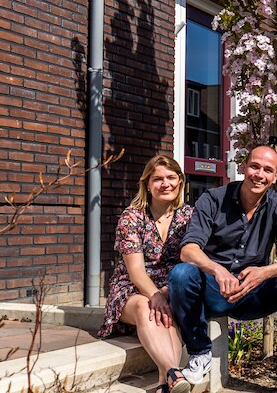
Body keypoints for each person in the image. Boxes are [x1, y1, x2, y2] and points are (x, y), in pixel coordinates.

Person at [169, 145, 277, 393]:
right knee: (181, 274)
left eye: (267, 170)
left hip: (255, 293)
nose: (259, 174)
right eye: (254, 166)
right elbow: (188, 250)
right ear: (243, 167)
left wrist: (265, 272)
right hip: (215, 290)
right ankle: (200, 353)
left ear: (274, 177)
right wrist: (217, 270)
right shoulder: (212, 199)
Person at [97, 155, 195, 393]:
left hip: (171, 286)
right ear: (147, 184)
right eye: (158, 179)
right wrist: (156, 295)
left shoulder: (189, 216)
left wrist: (166, 292)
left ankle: (166, 382)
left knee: (164, 312)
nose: (166, 184)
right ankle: (173, 370)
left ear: (180, 182)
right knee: (146, 307)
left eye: (171, 178)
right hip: (132, 288)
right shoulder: (131, 218)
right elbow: (136, 271)